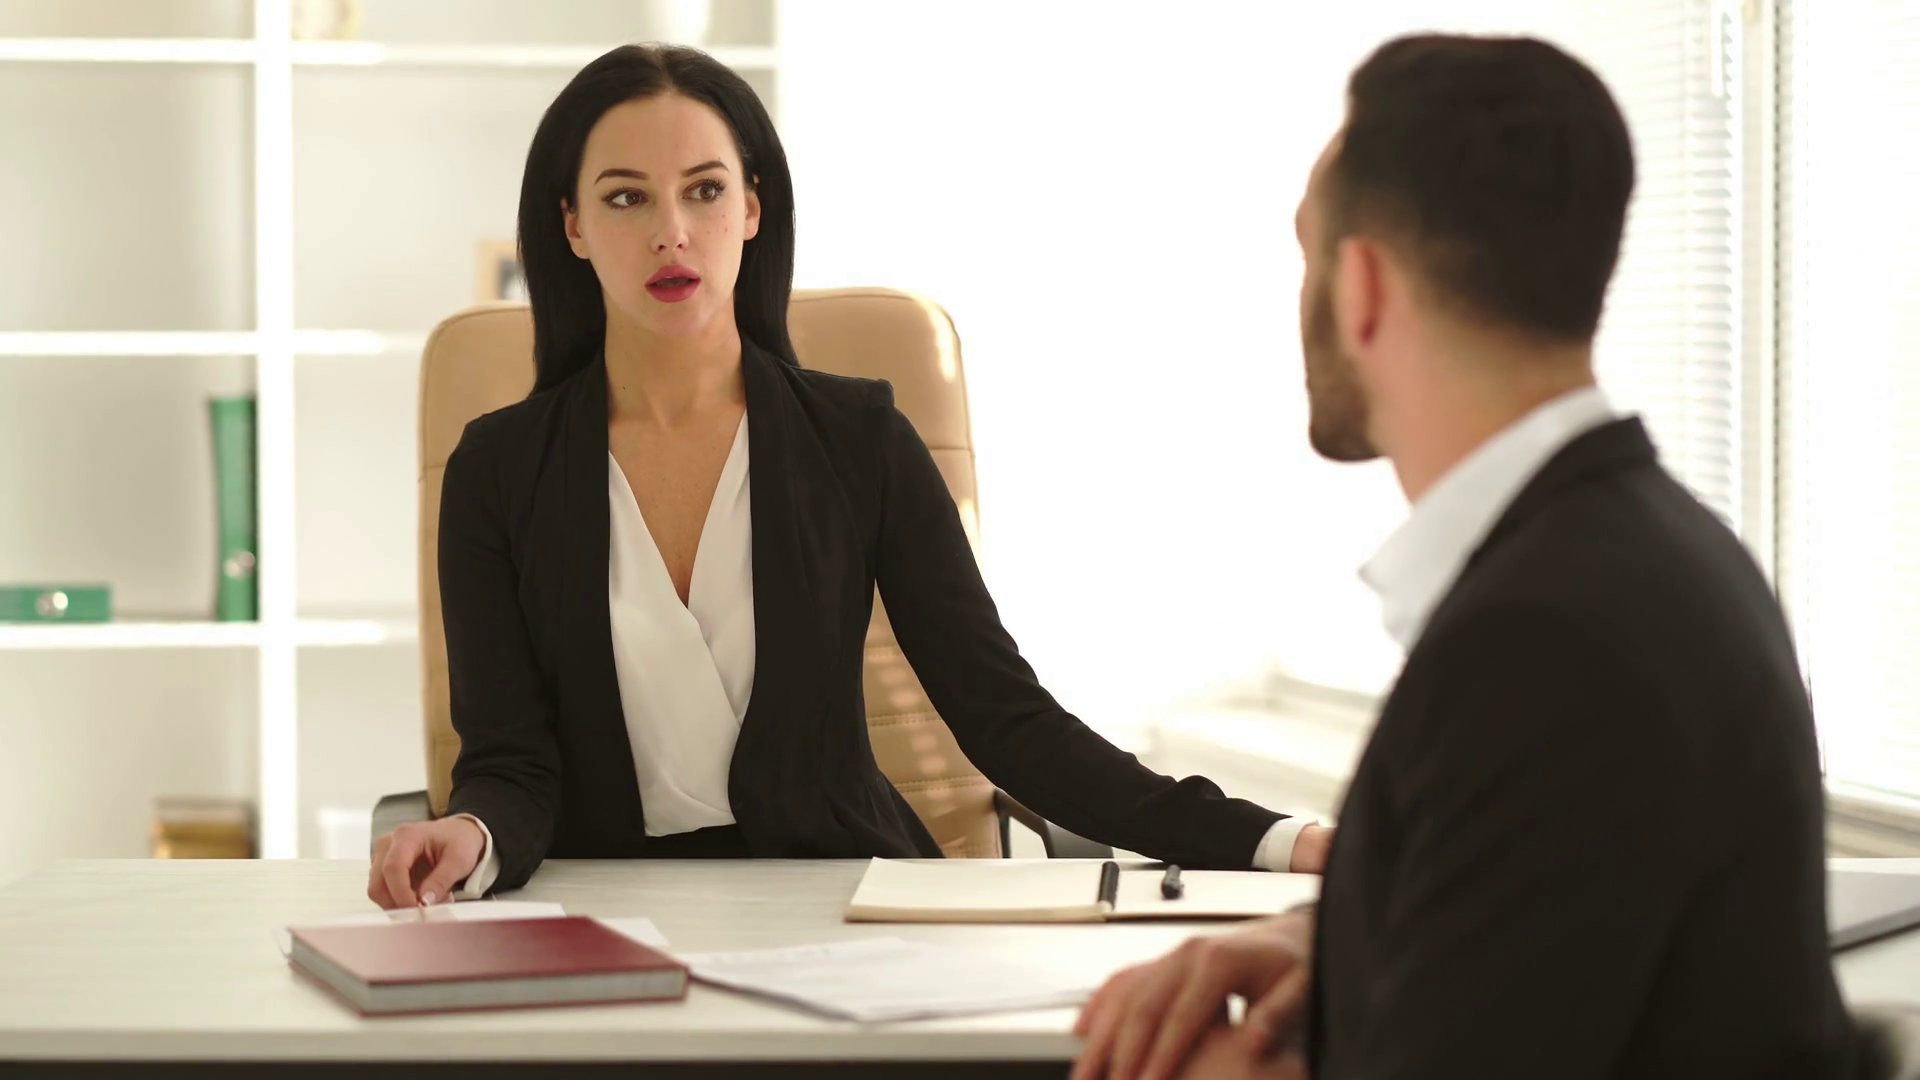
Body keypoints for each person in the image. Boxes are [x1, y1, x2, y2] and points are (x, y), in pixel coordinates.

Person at [366, 44, 1332, 910]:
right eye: (627, 198)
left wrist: (1273, 840)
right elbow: (509, 763)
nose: (672, 232)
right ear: (572, 225)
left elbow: (1009, 721)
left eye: (705, 191)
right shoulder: (496, 470)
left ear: (752, 208)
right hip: (602, 918)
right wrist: (473, 834)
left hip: (842, 906)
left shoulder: (859, 441)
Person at [1072, 33, 1857, 1080]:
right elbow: (1569, 932)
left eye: (1307, 252)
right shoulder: (1666, 555)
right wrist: (1335, 943)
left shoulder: (1544, 638)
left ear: (1361, 285)